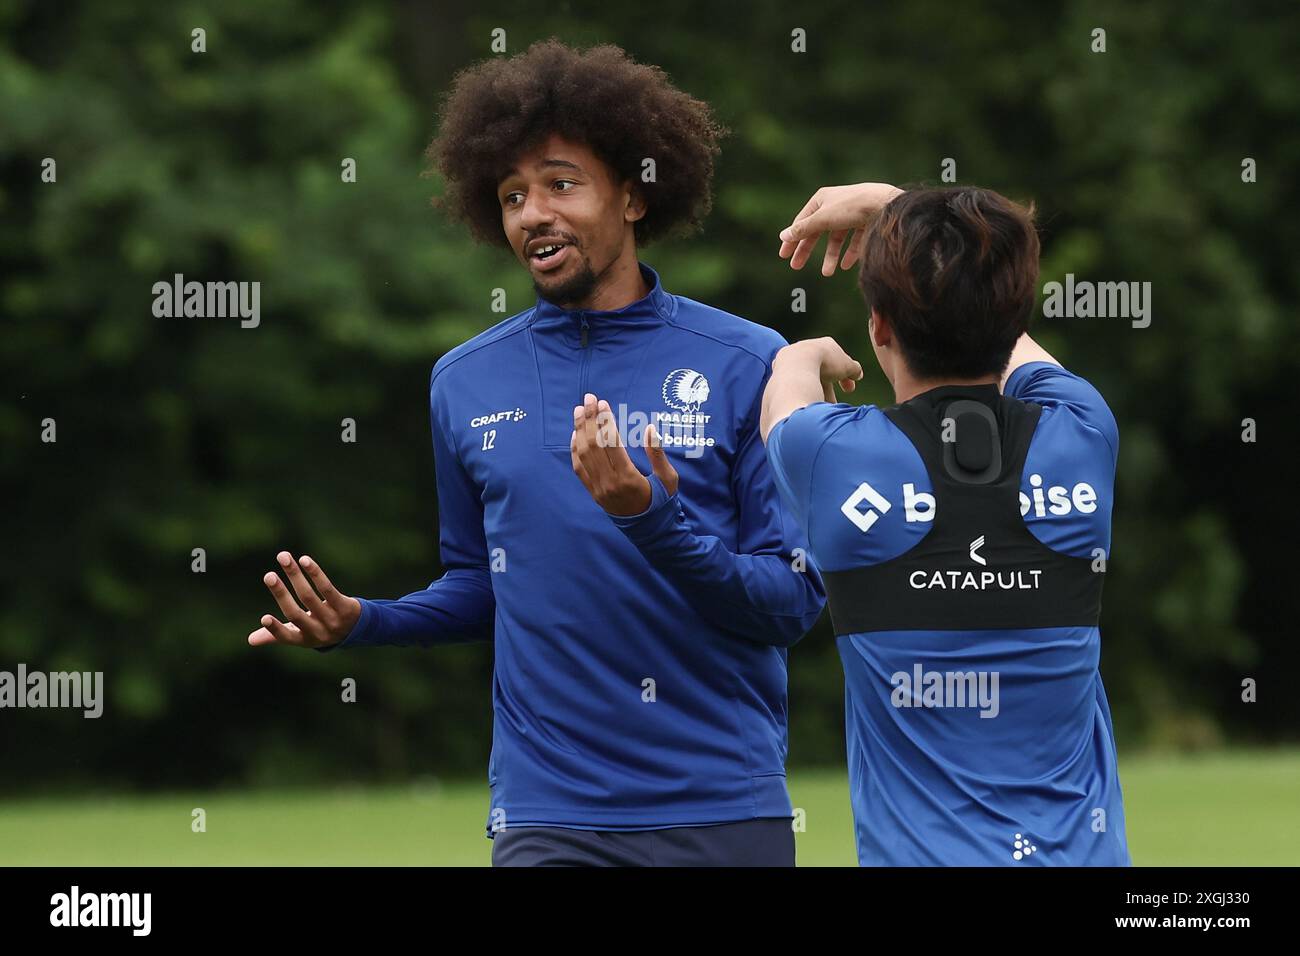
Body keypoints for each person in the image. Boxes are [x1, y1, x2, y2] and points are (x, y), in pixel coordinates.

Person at [246, 40, 825, 867]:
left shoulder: (748, 361)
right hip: (546, 815)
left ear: (631, 195)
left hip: (721, 806)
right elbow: (486, 585)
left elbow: (788, 604)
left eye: (561, 183)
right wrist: (364, 623)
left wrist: (651, 520)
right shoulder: (463, 380)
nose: (533, 214)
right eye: (512, 195)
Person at [760, 182, 1131, 865]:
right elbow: (1007, 332)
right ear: (1014, 310)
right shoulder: (1083, 433)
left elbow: (784, 385)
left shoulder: (831, 457)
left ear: (879, 330)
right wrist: (895, 204)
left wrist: (808, 352)